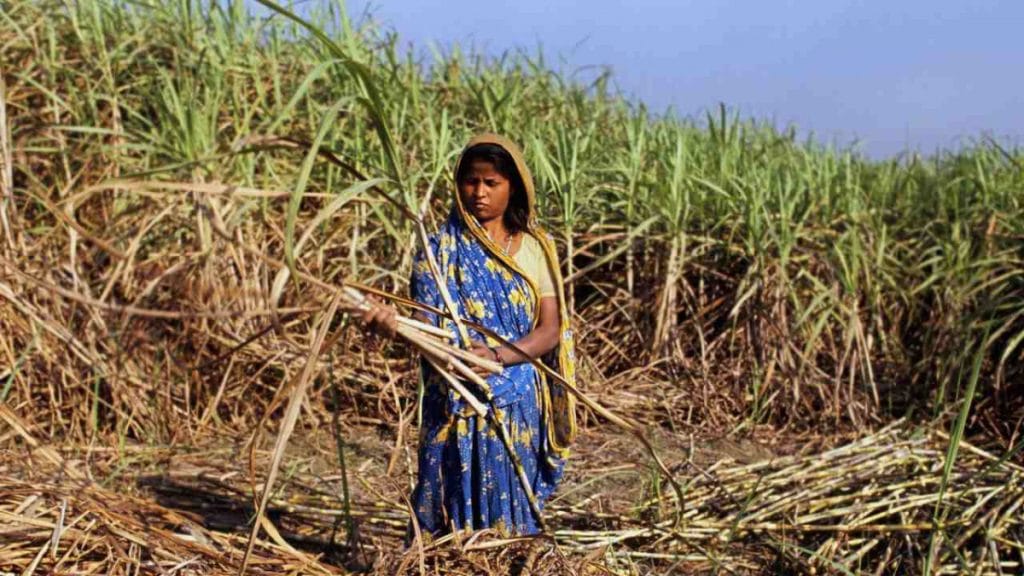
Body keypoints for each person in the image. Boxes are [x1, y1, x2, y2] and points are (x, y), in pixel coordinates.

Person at [358, 133, 578, 536]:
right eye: (470, 182)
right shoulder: (439, 251)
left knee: (511, 514)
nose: (479, 193)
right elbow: (431, 334)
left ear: (514, 188)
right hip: (455, 394)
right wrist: (395, 326)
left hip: (516, 398)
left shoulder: (536, 248)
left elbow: (549, 330)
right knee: (450, 500)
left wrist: (495, 357)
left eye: (491, 183)